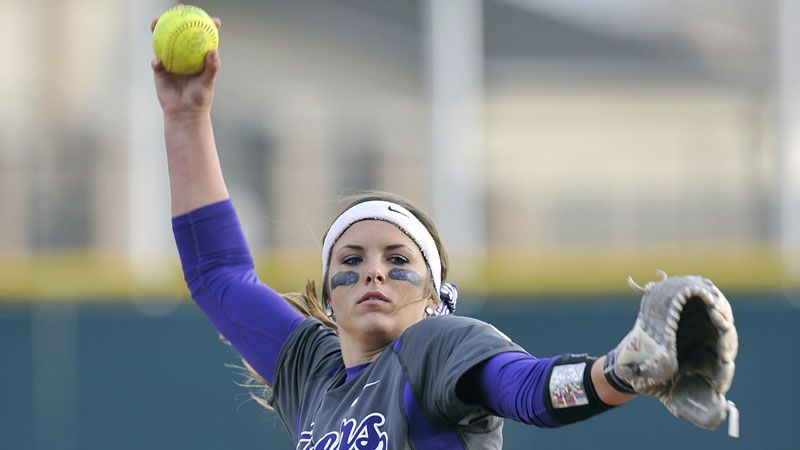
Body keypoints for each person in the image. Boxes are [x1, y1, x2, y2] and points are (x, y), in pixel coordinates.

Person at [152, 15, 736, 449]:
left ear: (434, 299)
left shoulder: (437, 347)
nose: (372, 271)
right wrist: (186, 119)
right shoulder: (312, 369)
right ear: (328, 294)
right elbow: (217, 275)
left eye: (398, 260)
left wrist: (615, 373)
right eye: (350, 261)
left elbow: (527, 389)